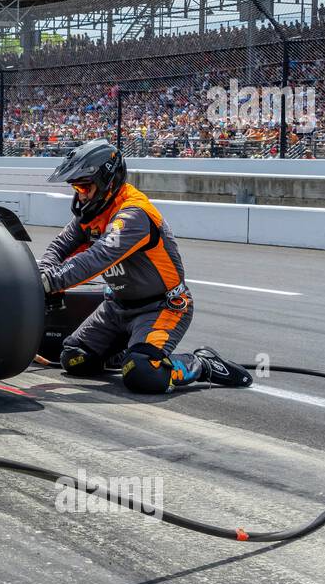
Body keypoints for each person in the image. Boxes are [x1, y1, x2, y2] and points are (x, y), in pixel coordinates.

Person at [38, 138, 252, 393]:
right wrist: (43, 274)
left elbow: (98, 257)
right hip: (116, 307)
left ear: (107, 182)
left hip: (161, 307)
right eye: (76, 188)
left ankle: (202, 363)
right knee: (74, 358)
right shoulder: (93, 211)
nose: (80, 195)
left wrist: (50, 281)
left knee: (144, 374)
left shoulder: (134, 213)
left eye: (85, 187)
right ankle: (133, 353)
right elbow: (59, 247)